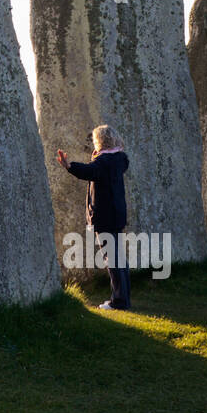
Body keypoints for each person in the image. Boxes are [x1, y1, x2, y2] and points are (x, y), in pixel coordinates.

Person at [57, 125, 131, 310]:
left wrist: (69, 166)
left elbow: (89, 171)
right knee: (119, 257)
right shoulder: (119, 159)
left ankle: (119, 302)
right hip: (117, 214)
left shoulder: (104, 161)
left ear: (100, 141)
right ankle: (124, 297)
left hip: (104, 216)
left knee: (111, 258)